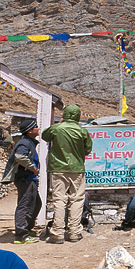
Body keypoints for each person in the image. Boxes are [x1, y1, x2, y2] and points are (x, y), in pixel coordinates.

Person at [40, 103, 92, 244]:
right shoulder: (82, 131)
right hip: (77, 169)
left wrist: (60, 123)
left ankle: (57, 233)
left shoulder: (56, 129)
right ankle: (74, 232)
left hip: (58, 168)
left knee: (59, 199)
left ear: (64, 115)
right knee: (77, 199)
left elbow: (44, 135)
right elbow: (87, 150)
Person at [4, 118, 41, 243]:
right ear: (30, 131)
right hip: (26, 178)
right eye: (35, 127)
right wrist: (32, 167)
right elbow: (20, 156)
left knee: (36, 204)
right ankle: (21, 235)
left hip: (30, 178)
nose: (38, 128)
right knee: (25, 206)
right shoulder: (24, 143)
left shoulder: (28, 142)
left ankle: (27, 228)